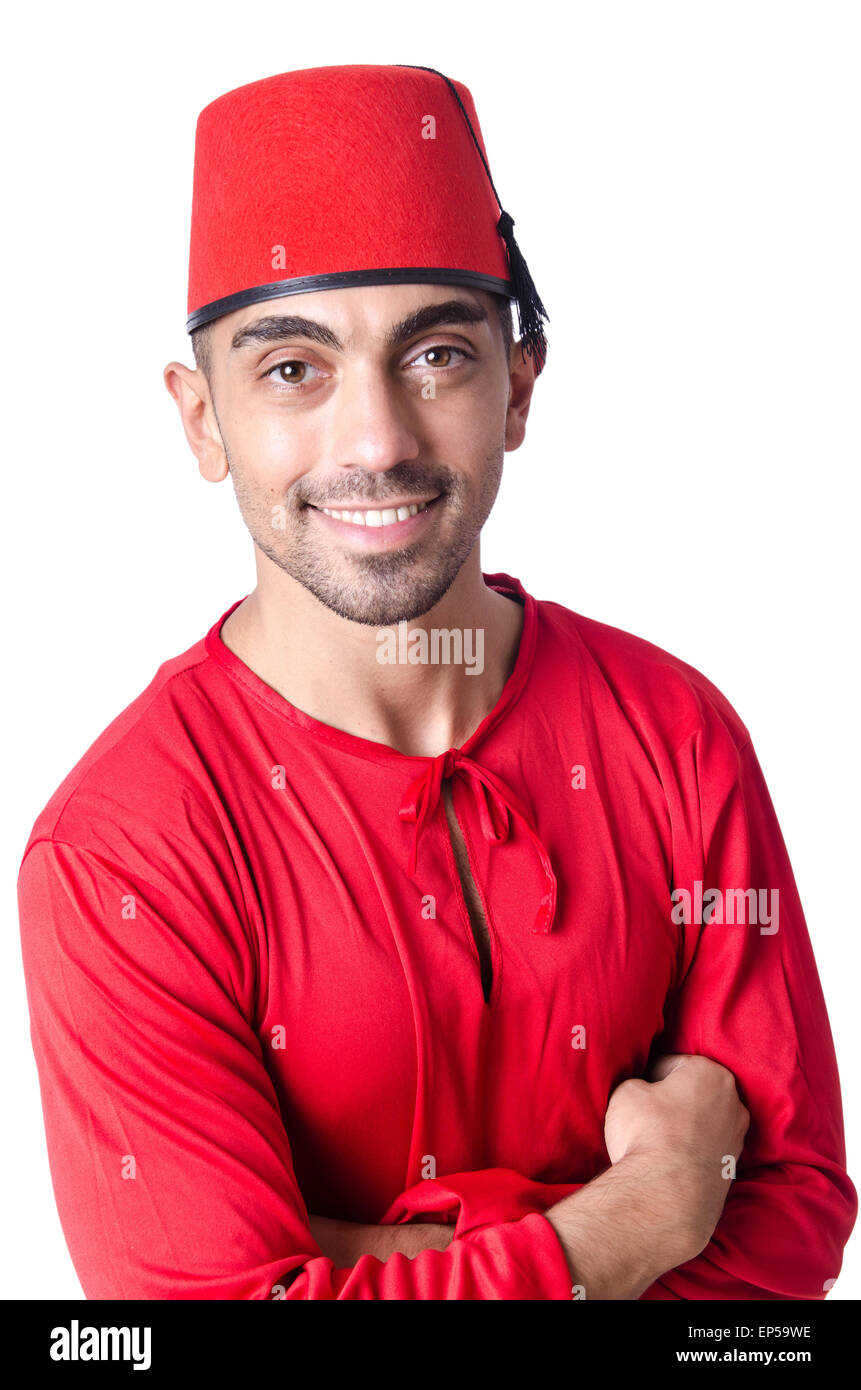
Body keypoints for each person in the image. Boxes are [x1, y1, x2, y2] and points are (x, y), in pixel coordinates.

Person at [17, 63, 856, 1300]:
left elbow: (792, 1225)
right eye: (292, 368)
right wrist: (644, 1212)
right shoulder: (123, 852)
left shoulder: (678, 735)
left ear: (518, 386)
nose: (377, 441)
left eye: (439, 354)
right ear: (201, 420)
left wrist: (375, 1258)